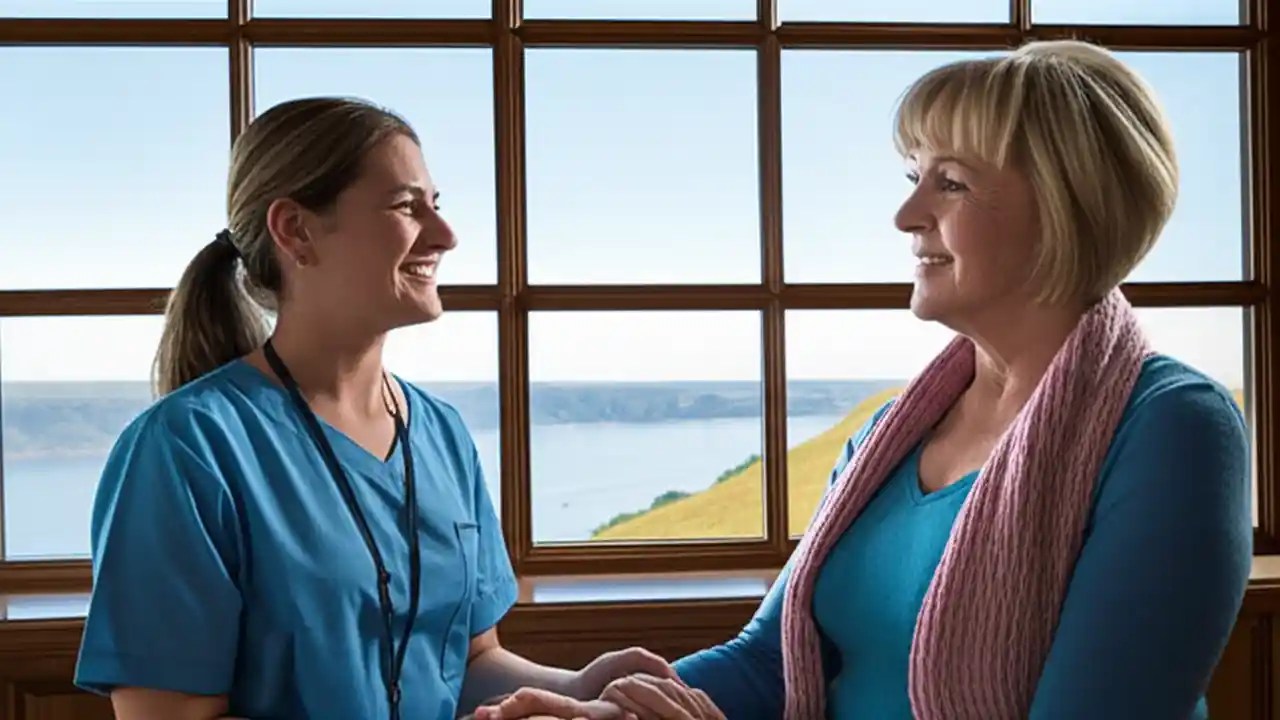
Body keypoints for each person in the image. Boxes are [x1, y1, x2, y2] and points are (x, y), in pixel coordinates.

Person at [475, 38, 1254, 720]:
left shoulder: (1174, 428)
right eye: (914, 176)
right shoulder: (893, 431)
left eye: (950, 182)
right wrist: (614, 711)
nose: (907, 214)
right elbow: (769, 661)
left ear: (1066, 203)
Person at [72, 96, 673, 720]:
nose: (445, 235)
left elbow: (465, 663)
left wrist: (579, 687)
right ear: (296, 231)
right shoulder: (184, 449)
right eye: (406, 207)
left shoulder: (441, 434)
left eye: (435, 206)